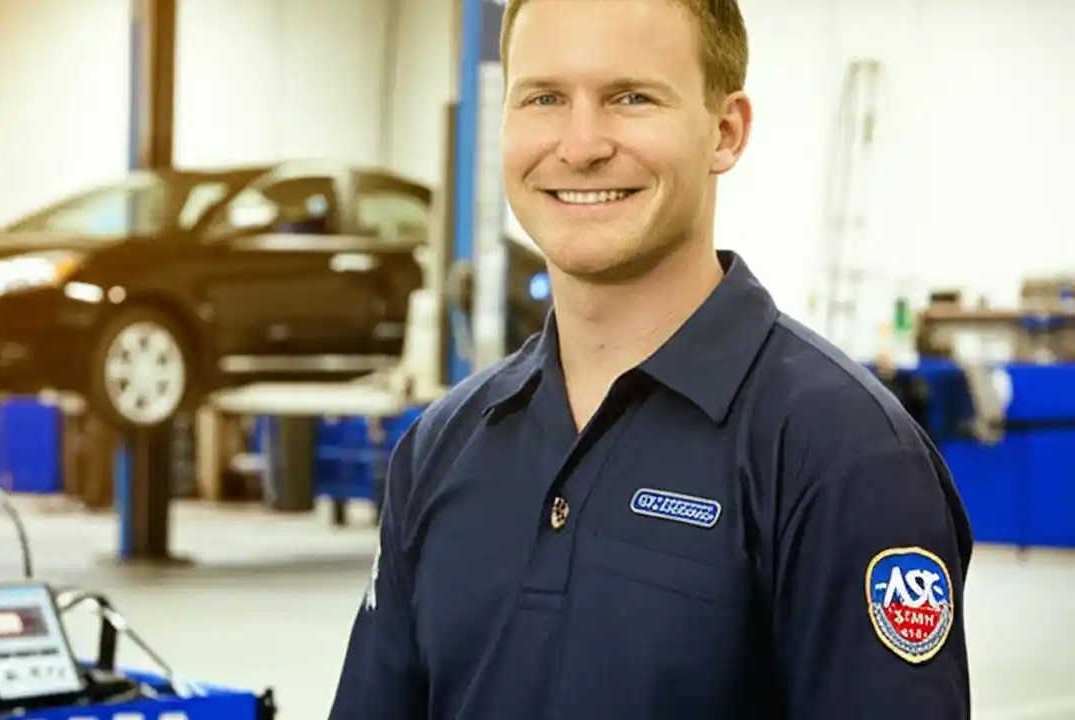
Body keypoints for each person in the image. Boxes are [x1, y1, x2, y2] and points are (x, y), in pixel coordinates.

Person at [330, 0, 973, 717]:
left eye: (630, 97)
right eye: (543, 98)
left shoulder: (844, 456)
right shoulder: (442, 446)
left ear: (725, 132)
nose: (580, 146)